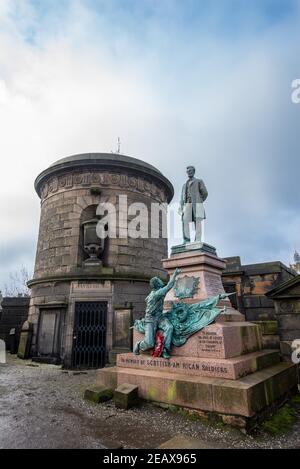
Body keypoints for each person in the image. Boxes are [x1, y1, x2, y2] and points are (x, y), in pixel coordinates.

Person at [133, 267, 181, 359]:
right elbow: (169, 286)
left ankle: (165, 349)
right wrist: (174, 274)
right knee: (149, 343)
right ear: (158, 284)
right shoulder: (157, 294)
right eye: (159, 280)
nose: (161, 280)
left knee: (169, 327)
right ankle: (139, 345)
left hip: (159, 317)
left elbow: (146, 299)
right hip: (150, 319)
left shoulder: (154, 293)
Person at [179, 166, 208, 243]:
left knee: (197, 221)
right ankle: (186, 240)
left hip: (197, 204)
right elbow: (182, 198)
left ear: (194, 172)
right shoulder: (184, 185)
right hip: (187, 204)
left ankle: (198, 239)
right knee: (185, 221)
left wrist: (199, 201)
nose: (189, 172)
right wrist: (181, 207)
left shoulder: (199, 181)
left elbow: (205, 193)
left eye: (191, 171)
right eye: (188, 171)